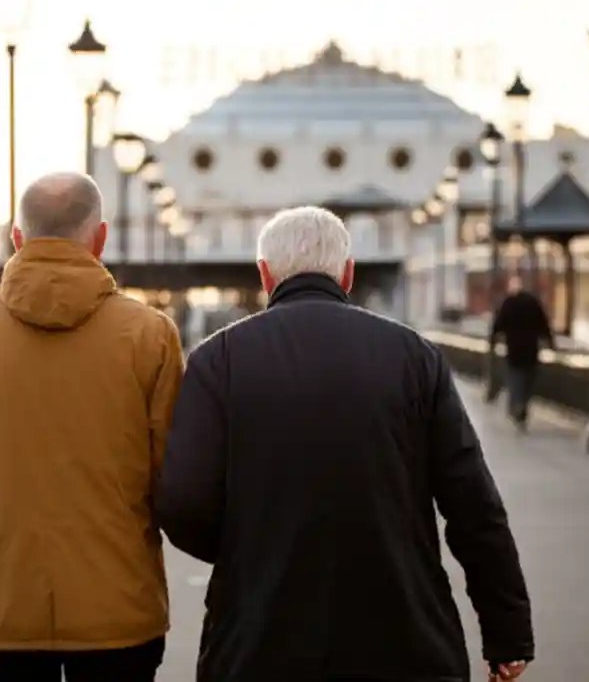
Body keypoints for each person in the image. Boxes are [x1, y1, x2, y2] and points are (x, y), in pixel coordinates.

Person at [156, 206, 534, 682]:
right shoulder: (416, 357)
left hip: (258, 637)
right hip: (403, 634)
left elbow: (183, 499)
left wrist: (244, 549)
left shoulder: (218, 360)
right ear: (348, 274)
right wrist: (507, 633)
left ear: (265, 274)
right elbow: (473, 506)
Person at [0, 172, 184, 682]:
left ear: (17, 238)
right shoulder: (150, 337)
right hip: (118, 610)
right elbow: (176, 480)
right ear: (100, 237)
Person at [489, 274, 555, 432]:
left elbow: (499, 324)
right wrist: (550, 341)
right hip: (531, 349)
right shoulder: (533, 303)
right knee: (528, 381)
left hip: (514, 349)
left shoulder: (508, 303)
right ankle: (523, 405)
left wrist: (493, 340)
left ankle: (516, 404)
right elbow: (543, 324)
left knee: (515, 379)